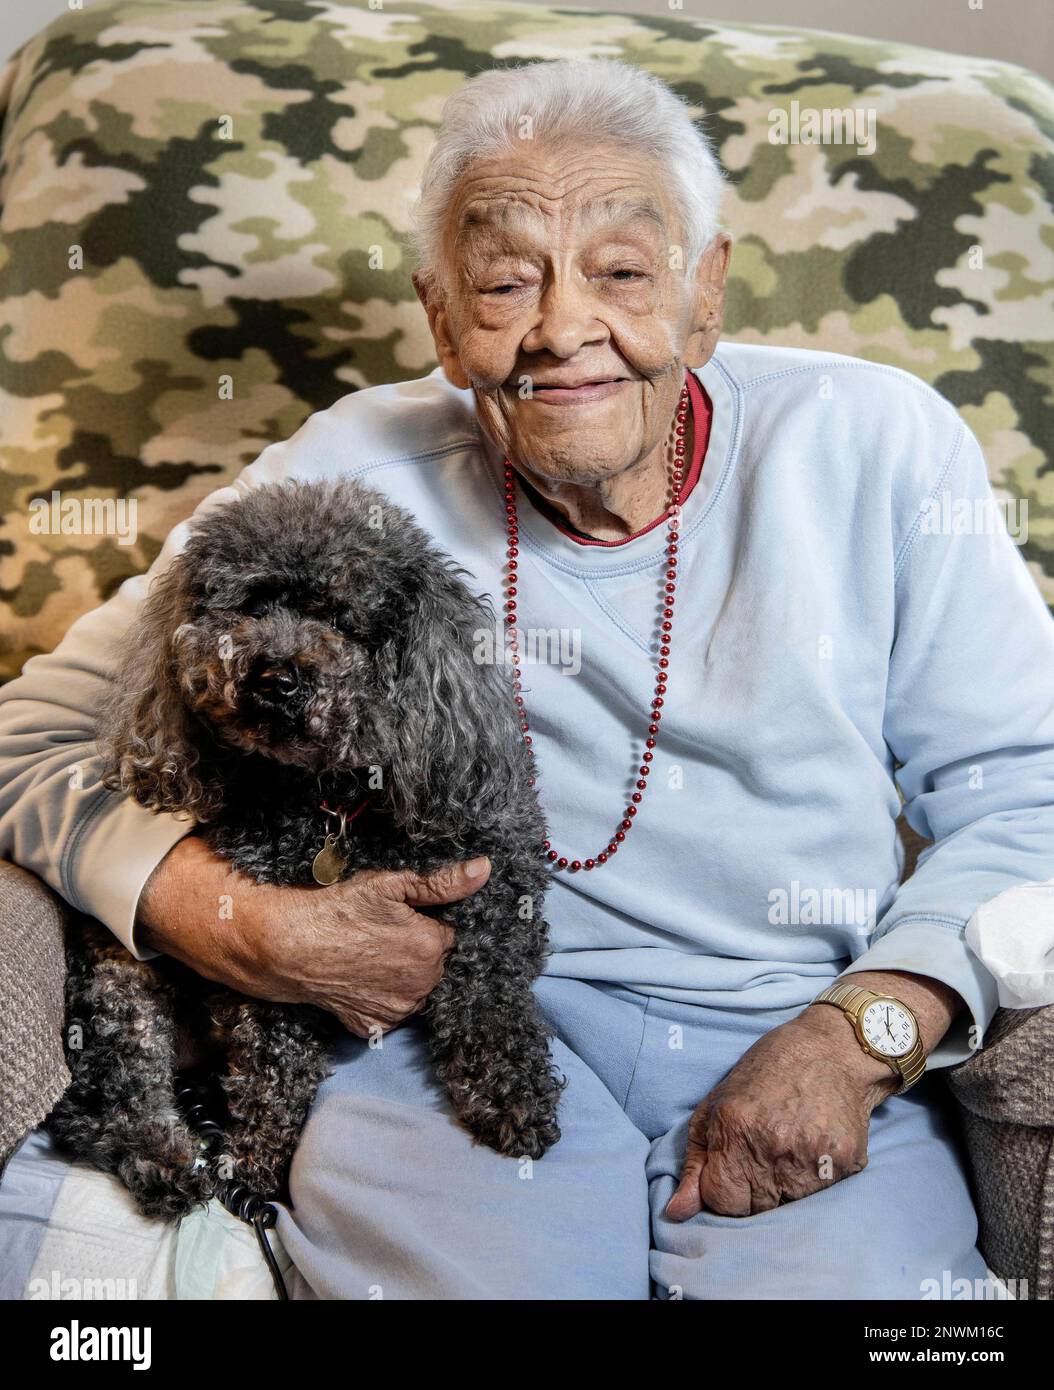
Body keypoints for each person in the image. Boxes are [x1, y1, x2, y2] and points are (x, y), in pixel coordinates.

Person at [2, 57, 1052, 1299]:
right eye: (505, 282)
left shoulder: (879, 442)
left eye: (621, 272)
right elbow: (29, 731)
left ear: (705, 293)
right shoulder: (349, 477)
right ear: (441, 318)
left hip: (795, 1020)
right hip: (454, 1033)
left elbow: (1024, 792)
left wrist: (868, 1026)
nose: (563, 329)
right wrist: (244, 926)